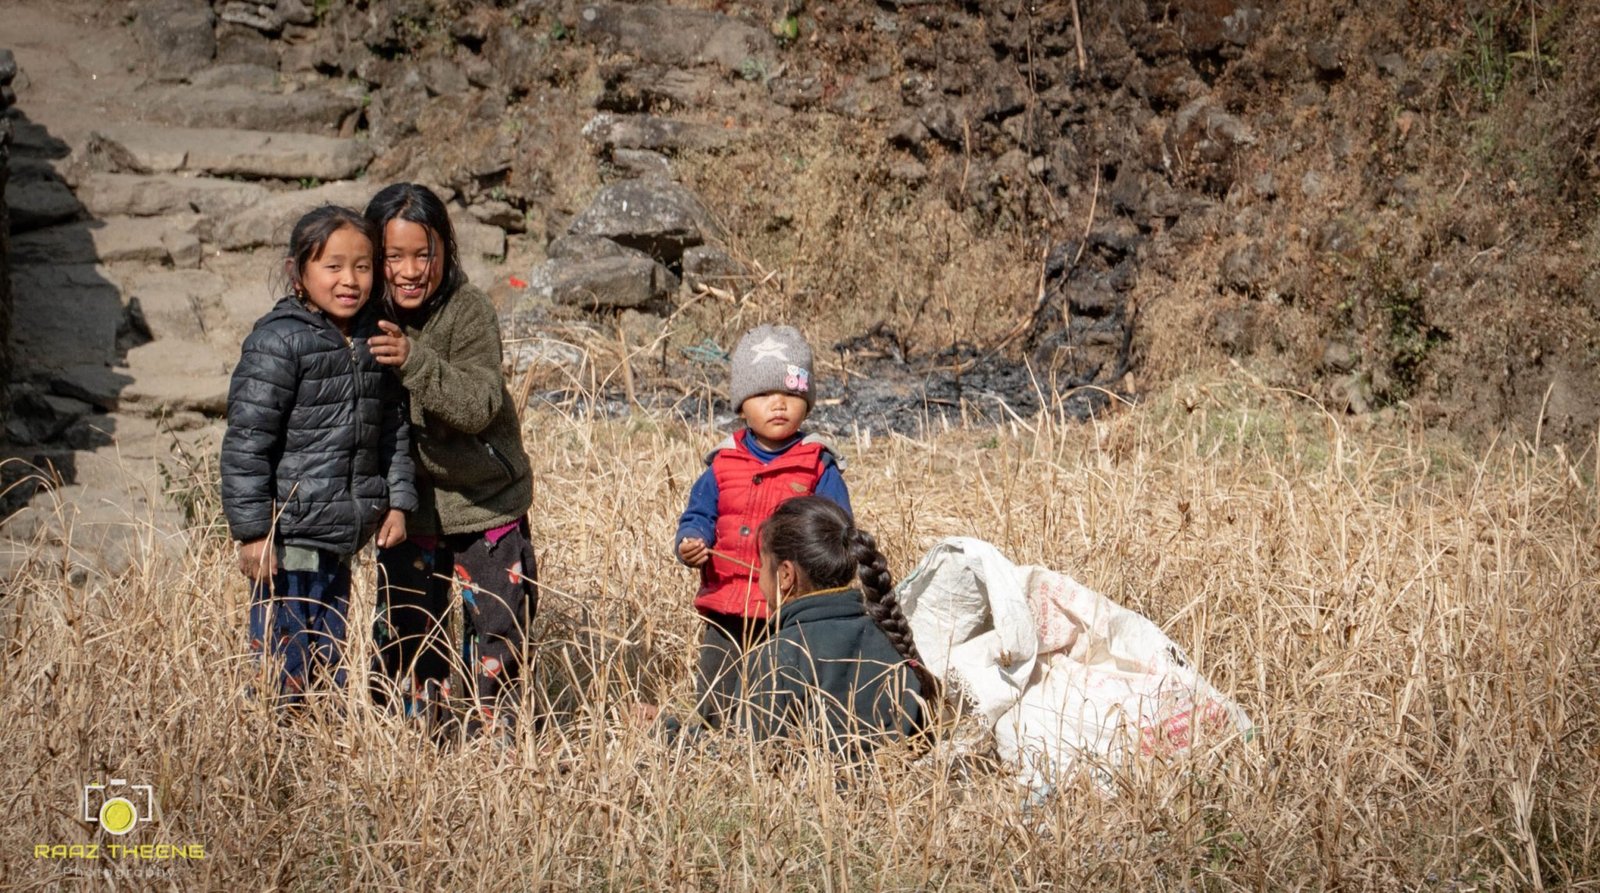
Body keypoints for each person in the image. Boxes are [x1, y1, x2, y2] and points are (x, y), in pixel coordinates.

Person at [221, 204, 416, 705]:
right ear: (299, 273)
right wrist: (252, 532)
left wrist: (397, 500)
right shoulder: (278, 341)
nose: (349, 280)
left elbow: (392, 427)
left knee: (329, 658)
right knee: (282, 661)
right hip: (288, 535)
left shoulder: (377, 338)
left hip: (340, 534)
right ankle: (275, 755)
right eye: (333, 267)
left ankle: (318, 753)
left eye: (363, 266)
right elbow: (247, 443)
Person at [364, 182, 537, 737]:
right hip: (408, 512)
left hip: (484, 503)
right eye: (394, 256)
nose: (410, 270)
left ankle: (501, 744)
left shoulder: (468, 311)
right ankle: (417, 744)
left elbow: (480, 404)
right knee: (409, 637)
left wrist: (415, 360)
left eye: (424, 253)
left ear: (446, 250)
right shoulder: (362, 315)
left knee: (500, 634)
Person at [674, 324, 850, 725]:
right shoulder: (722, 462)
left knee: (777, 693)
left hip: (787, 610)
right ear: (741, 404)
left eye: (791, 394)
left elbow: (837, 531)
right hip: (727, 602)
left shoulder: (817, 464)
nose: (779, 404)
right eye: (765, 394)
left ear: (807, 402)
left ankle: (768, 742)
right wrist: (690, 542)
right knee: (717, 695)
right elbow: (698, 515)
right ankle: (715, 742)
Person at [721, 496, 936, 755]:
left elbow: (746, 756)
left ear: (786, 575)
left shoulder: (776, 656)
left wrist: (667, 730)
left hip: (811, 794)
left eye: (763, 567)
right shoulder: (892, 639)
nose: (758, 582)